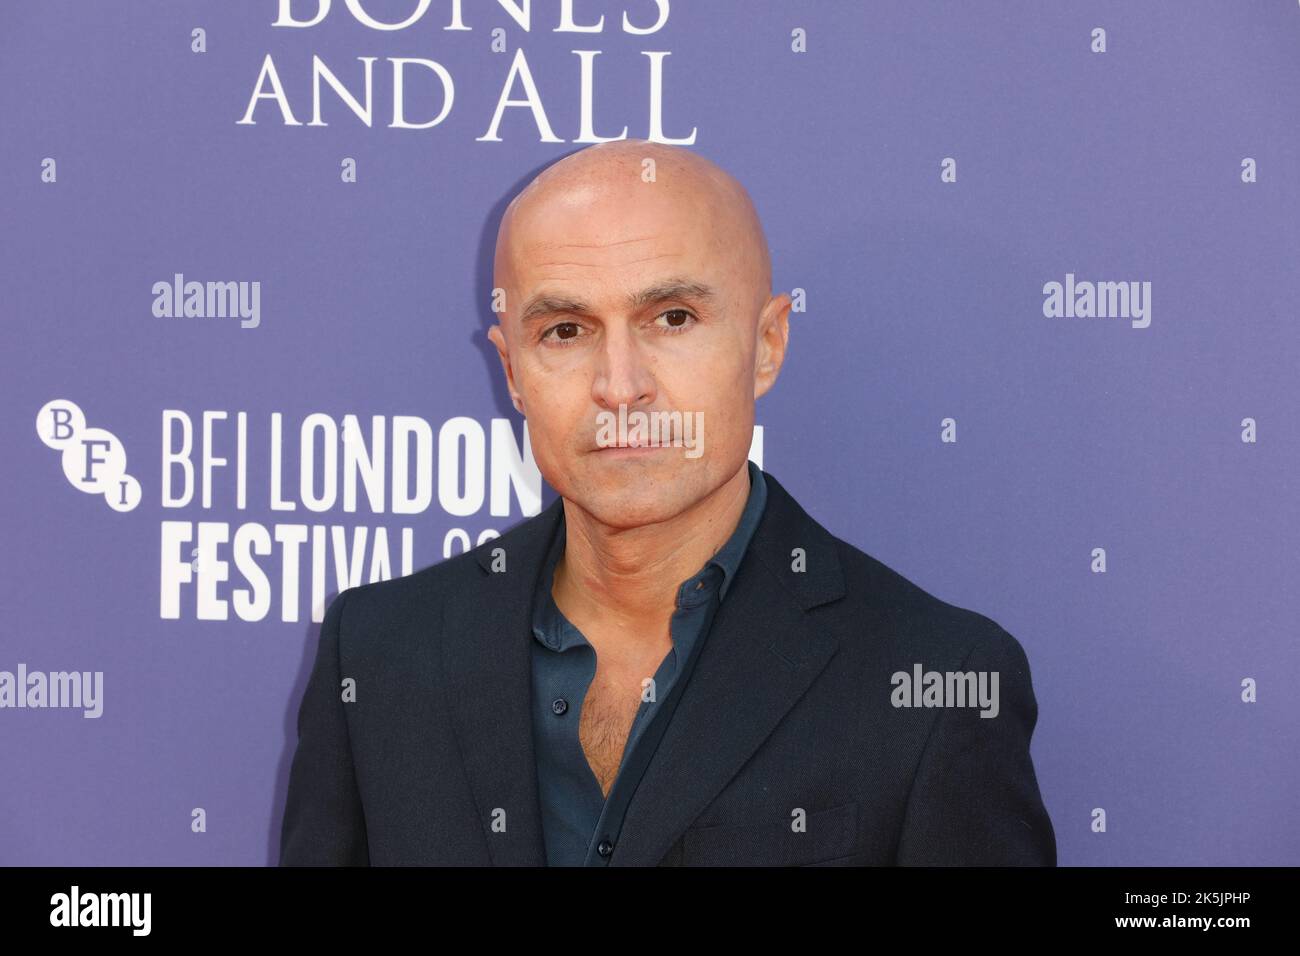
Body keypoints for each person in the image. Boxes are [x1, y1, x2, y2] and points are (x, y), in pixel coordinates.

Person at [279, 139, 1056, 866]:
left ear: (768, 344)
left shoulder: (937, 683)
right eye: (565, 330)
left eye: (672, 319)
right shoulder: (378, 654)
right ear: (512, 371)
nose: (621, 387)